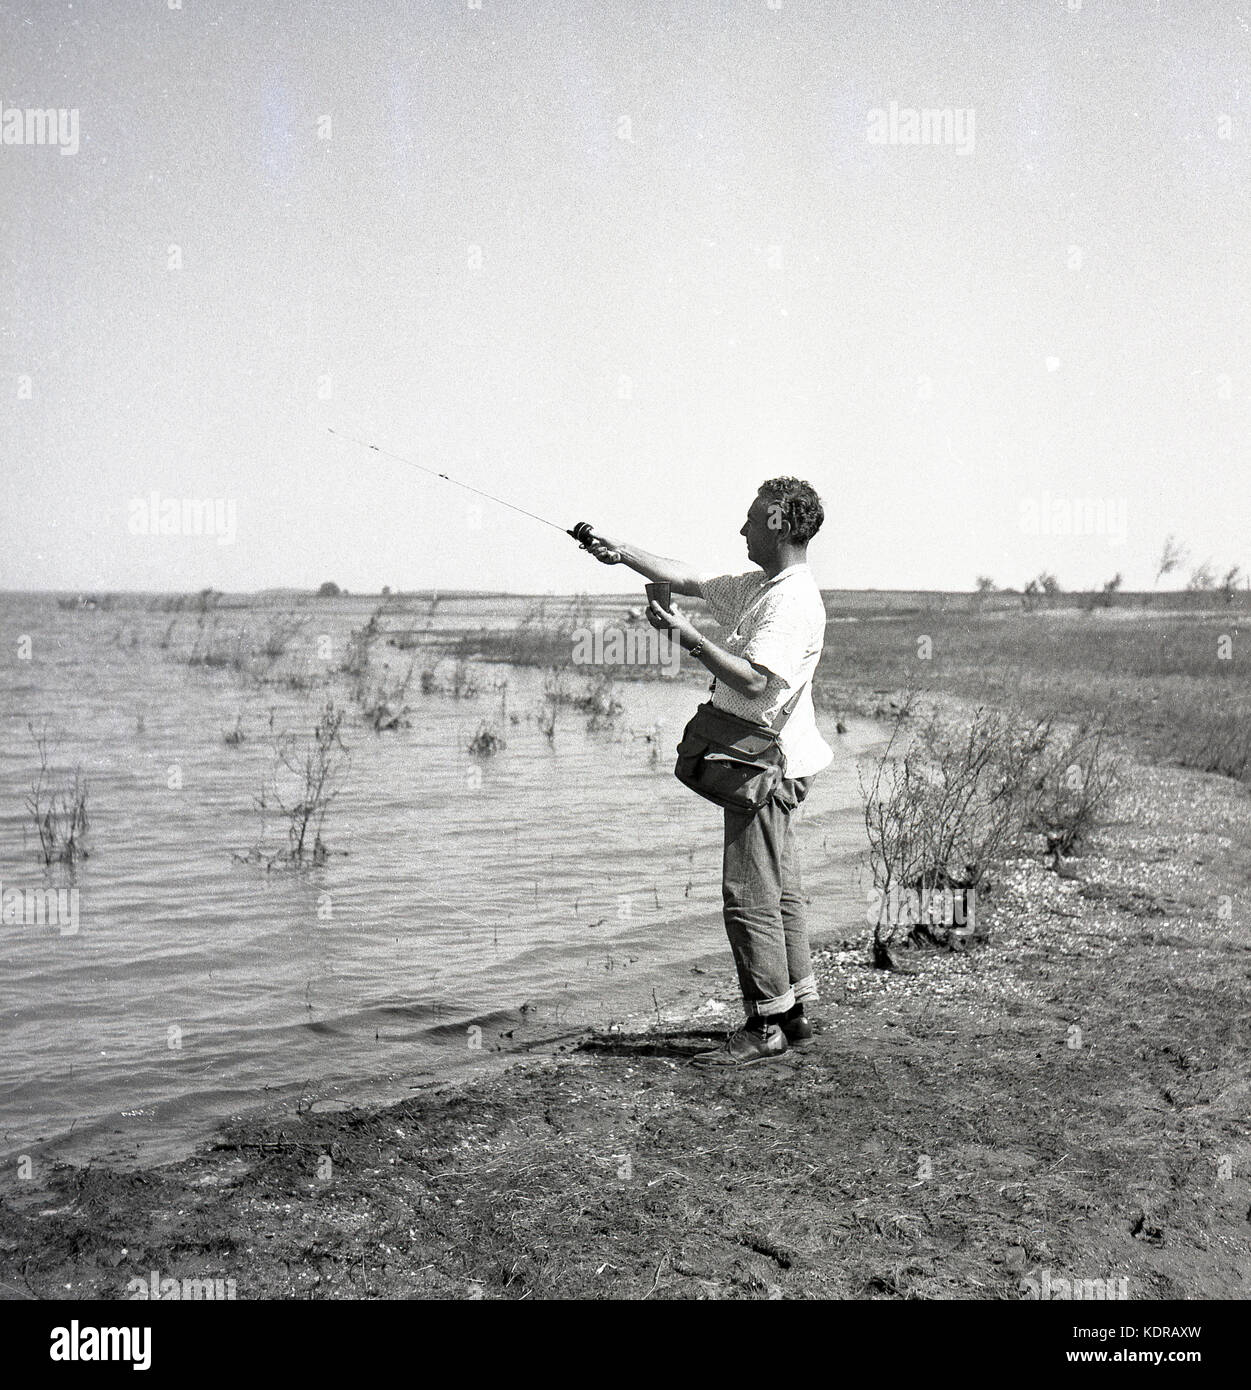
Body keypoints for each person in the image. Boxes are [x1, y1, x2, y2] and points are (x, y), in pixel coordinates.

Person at [582, 477, 832, 1066]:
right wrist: (619, 551)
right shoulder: (762, 587)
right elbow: (689, 578)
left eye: (750, 519)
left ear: (775, 524)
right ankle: (793, 1013)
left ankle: (765, 1022)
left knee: (746, 892)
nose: (741, 528)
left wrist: (687, 638)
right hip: (778, 759)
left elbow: (754, 679)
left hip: (764, 766)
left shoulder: (789, 601)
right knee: (780, 888)